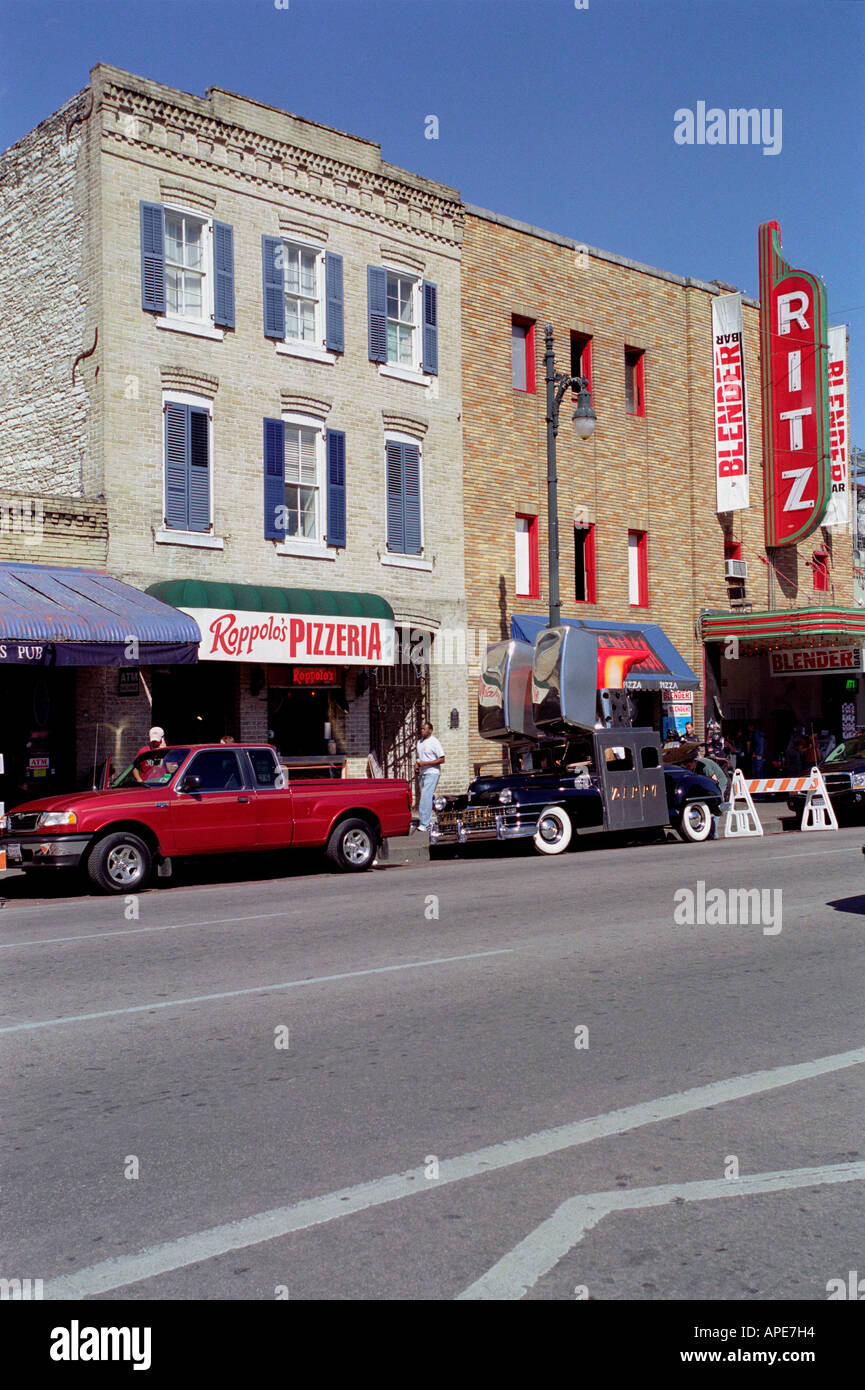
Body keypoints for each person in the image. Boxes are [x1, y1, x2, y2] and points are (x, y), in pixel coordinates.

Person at [412, 721, 445, 833]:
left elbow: (442, 759)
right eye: (421, 728)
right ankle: (436, 817)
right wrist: (416, 765)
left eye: (424, 729)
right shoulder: (419, 742)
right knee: (428, 797)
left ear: (430, 730)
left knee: (425, 797)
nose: (422, 730)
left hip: (432, 772)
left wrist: (425, 763)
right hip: (422, 773)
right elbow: (418, 757)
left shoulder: (434, 742)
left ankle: (424, 824)